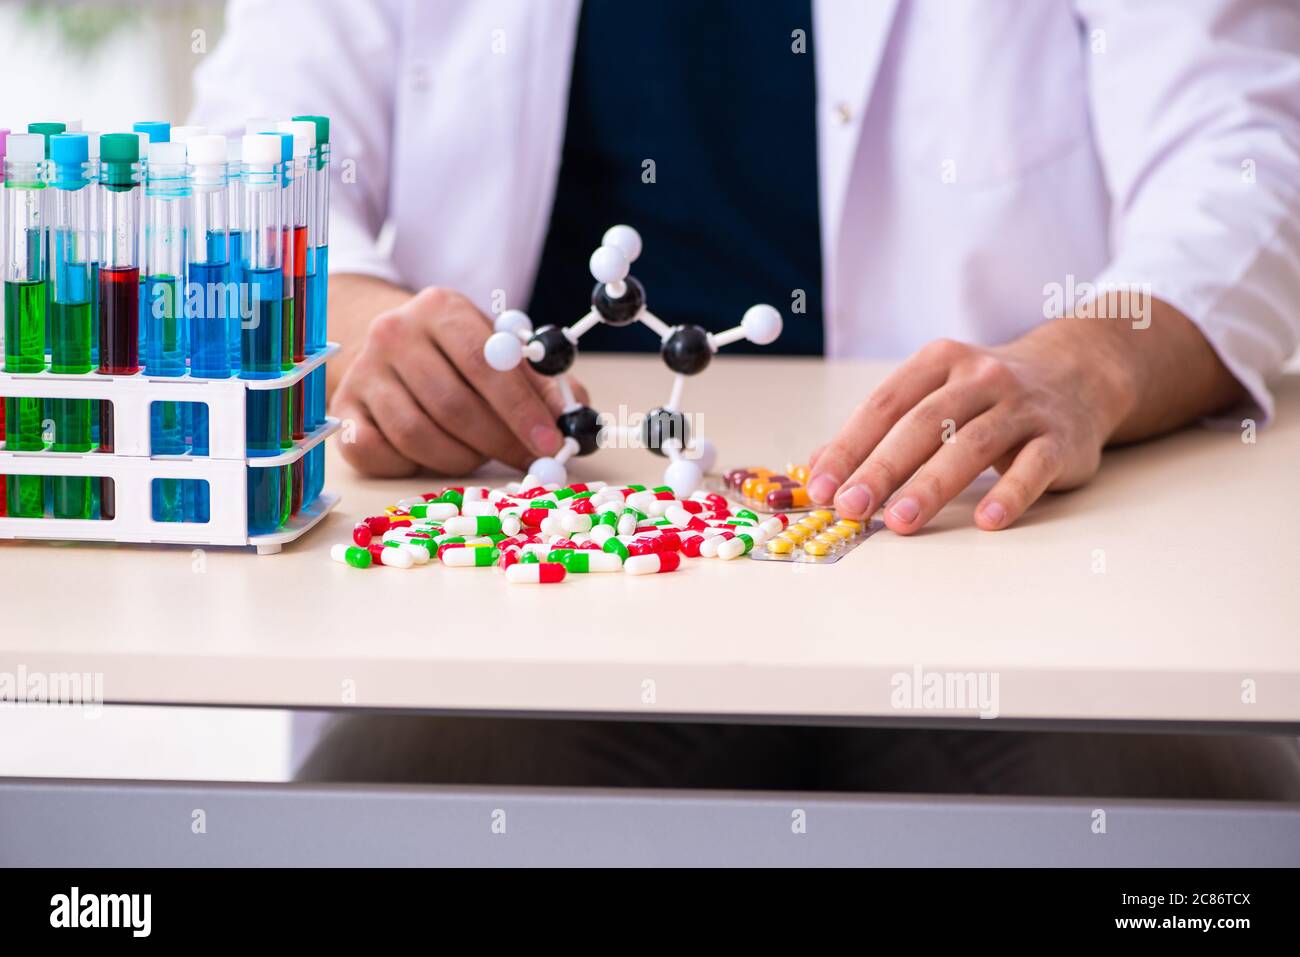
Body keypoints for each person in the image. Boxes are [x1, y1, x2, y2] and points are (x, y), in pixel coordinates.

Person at [191, 0, 1300, 796]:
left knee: (1182, 813)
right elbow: (250, 158)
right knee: (413, 801)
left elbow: (1246, 147)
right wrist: (355, 332)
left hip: (994, 568)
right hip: (538, 591)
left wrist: (1090, 362)